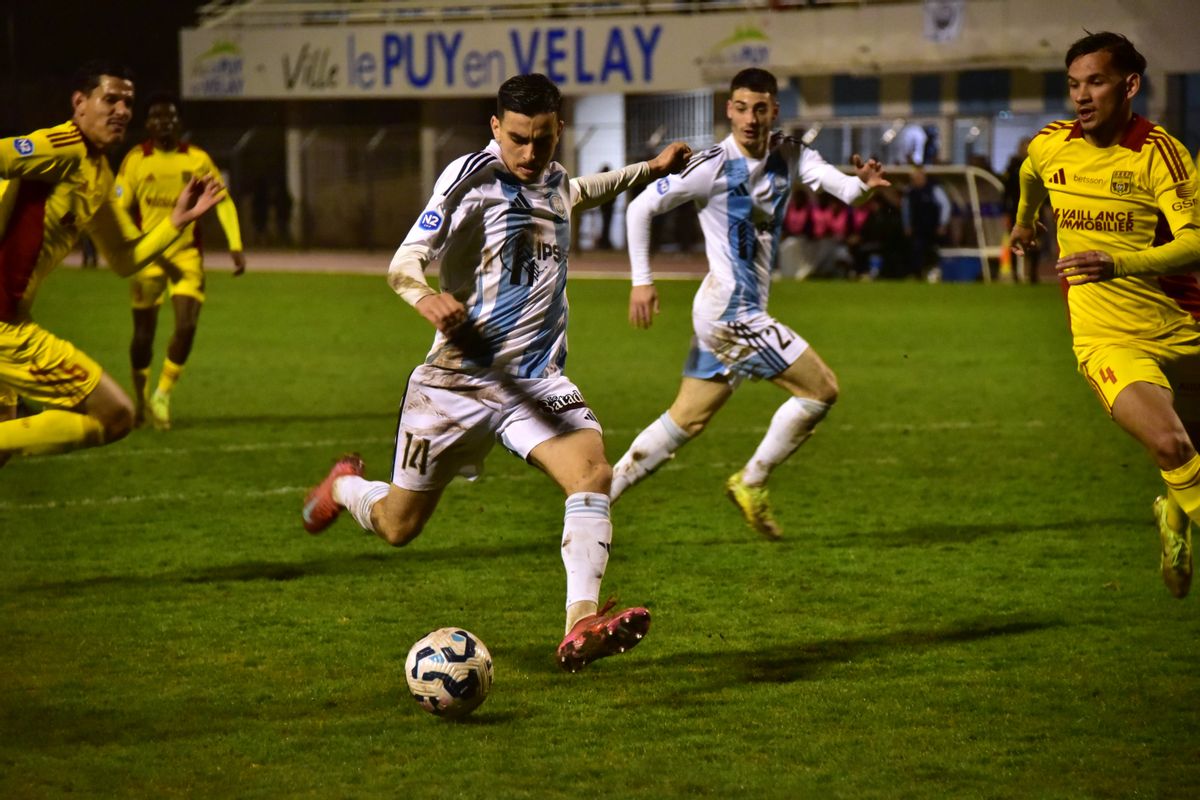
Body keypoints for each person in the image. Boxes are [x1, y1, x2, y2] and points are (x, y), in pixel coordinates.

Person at [300, 74, 691, 671]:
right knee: (398, 526)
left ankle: (580, 621)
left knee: (591, 474)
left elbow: (582, 190)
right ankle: (345, 488)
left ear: (559, 128)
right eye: (516, 139)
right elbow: (404, 261)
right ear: (494, 129)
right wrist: (425, 297)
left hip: (535, 380)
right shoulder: (470, 180)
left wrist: (652, 167)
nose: (530, 154)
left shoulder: (553, 179)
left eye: (542, 139)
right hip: (454, 387)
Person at [609, 68, 889, 537]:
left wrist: (861, 184)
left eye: (760, 108)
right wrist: (642, 281)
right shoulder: (710, 165)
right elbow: (640, 207)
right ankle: (752, 479)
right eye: (741, 108)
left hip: (728, 311)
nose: (750, 118)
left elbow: (838, 187)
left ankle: (599, 496)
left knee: (687, 419)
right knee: (821, 390)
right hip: (731, 313)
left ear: (774, 111)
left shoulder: (790, 153)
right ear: (729, 111)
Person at [1010, 32, 1200, 599]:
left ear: (1130, 85)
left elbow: (1195, 243)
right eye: (1074, 84)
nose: (1082, 96)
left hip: (1181, 328)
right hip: (1106, 340)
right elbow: (1029, 174)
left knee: (1187, 455)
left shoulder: (1159, 153)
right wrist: (1025, 221)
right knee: (1170, 445)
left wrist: (1118, 264)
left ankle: (1173, 513)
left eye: (1095, 81)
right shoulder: (1052, 145)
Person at [0, 61, 224, 467]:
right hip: (3, 326)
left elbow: (124, 259)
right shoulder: (63, 145)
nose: (122, 110)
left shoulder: (98, 172)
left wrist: (175, 222)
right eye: (111, 99)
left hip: (13, 318)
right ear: (80, 103)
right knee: (115, 414)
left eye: (128, 102)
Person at [117, 92, 246, 430]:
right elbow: (118, 209)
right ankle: (141, 396)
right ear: (147, 125)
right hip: (150, 257)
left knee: (186, 326)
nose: (165, 123)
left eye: (171, 117)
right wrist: (135, 243)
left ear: (179, 124)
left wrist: (235, 244)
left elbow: (223, 200)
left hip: (186, 255)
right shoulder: (135, 161)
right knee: (143, 335)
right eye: (158, 117)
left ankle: (162, 394)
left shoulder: (197, 160)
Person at [901, 166, 952, 280]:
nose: (917, 180)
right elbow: (906, 210)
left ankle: (933, 273)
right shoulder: (910, 192)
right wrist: (907, 225)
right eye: (914, 178)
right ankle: (917, 274)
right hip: (917, 228)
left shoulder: (934, 190)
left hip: (933, 228)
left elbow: (945, 206)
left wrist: (943, 224)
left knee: (932, 250)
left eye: (919, 177)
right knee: (916, 250)